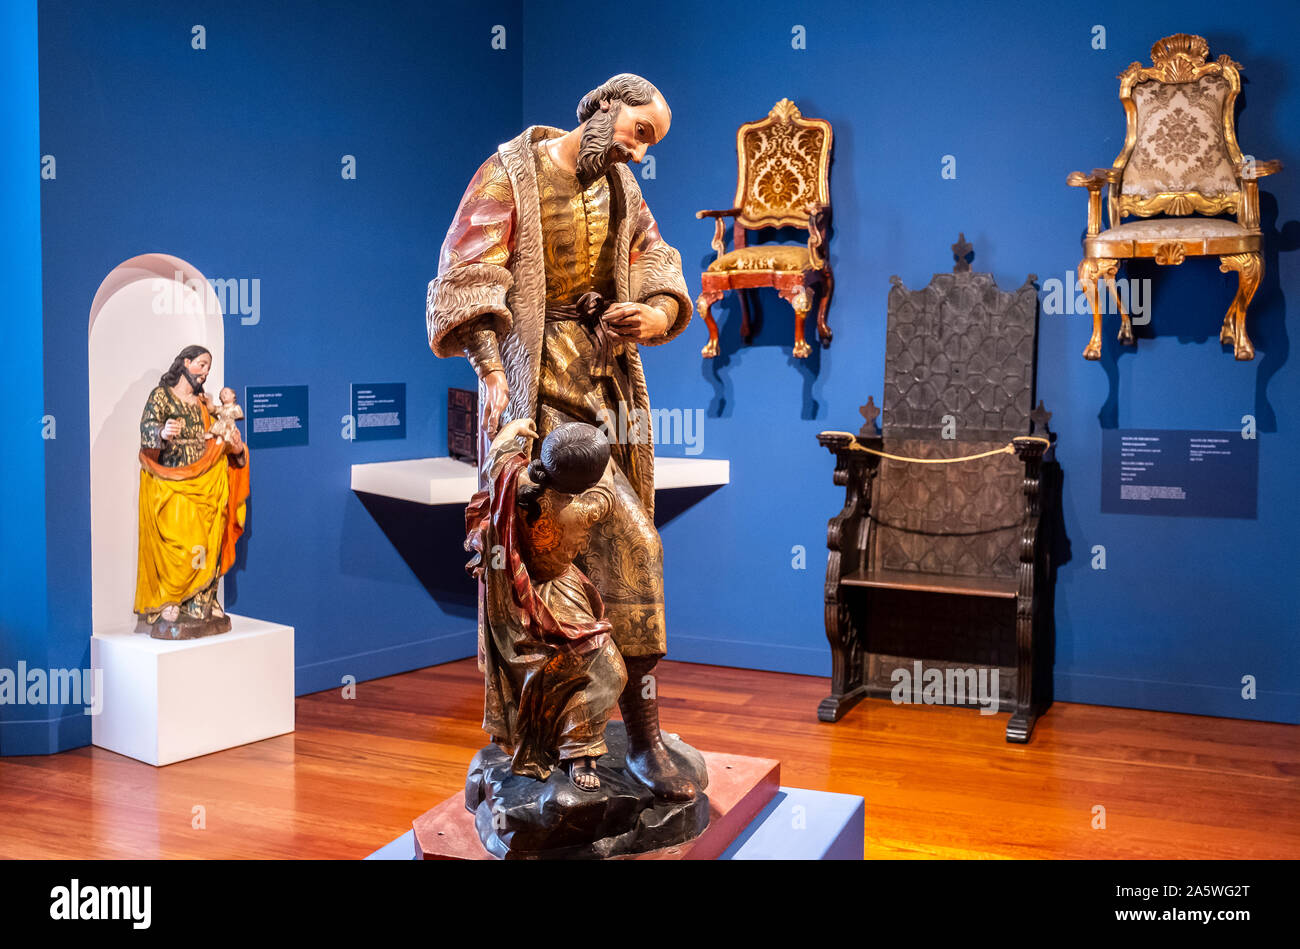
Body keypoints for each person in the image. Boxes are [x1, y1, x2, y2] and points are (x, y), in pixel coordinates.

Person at [427, 73, 699, 800]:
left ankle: (640, 739)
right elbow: (466, 275)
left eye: (651, 143)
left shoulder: (621, 189)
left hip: (602, 393)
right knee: (545, 572)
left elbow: (655, 257)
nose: (641, 154)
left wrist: (658, 313)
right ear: (605, 108)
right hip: (533, 398)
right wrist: (490, 373)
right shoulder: (508, 174)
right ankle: (548, 744)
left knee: (635, 547)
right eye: (641, 133)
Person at [466, 418, 622, 791]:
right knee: (609, 670)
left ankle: (557, 737)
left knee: (570, 668)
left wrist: (511, 431)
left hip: (508, 601)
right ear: (584, 482)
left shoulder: (514, 480)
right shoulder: (576, 512)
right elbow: (607, 495)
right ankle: (578, 747)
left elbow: (497, 460)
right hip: (546, 603)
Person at [134, 345, 249, 639]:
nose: (205, 372)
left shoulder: (203, 403)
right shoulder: (161, 396)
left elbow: (219, 436)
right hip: (172, 482)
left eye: (208, 367)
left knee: (207, 540)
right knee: (178, 543)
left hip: (205, 479)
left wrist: (235, 447)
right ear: (185, 363)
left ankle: (202, 602)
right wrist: (161, 432)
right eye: (201, 365)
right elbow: (147, 426)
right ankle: (169, 600)